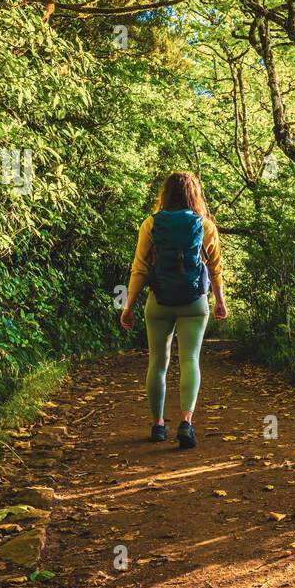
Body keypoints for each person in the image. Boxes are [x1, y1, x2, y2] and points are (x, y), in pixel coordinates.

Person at [119, 171, 227, 449]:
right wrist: (220, 301)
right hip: (194, 301)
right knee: (190, 359)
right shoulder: (205, 225)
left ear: (165, 194)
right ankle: (186, 423)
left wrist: (128, 305)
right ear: (195, 194)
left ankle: (158, 425)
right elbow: (215, 268)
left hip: (159, 301)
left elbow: (140, 267)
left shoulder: (151, 224)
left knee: (158, 363)